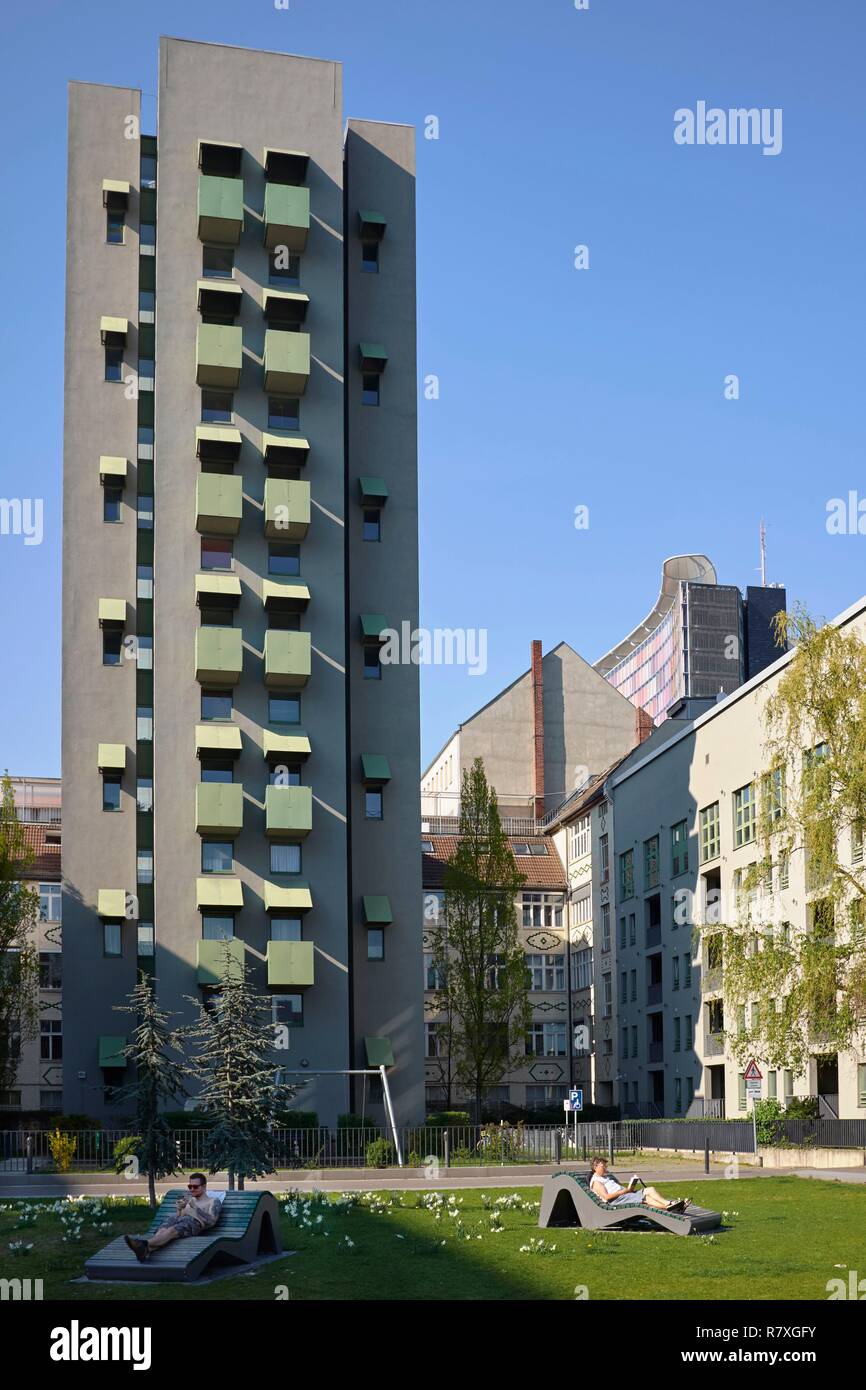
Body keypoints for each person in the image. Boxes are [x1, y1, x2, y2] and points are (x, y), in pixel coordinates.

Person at [124, 1173, 223, 1263]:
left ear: (204, 1186)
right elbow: (179, 1218)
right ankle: (146, 1250)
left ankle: (143, 1244)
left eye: (195, 1186)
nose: (192, 1189)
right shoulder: (189, 1200)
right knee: (163, 1228)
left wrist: (194, 1207)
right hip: (182, 1221)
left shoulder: (213, 1201)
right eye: (190, 1186)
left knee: (172, 1230)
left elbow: (212, 1221)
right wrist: (179, 1209)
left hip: (195, 1223)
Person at [588, 1157, 691, 1213]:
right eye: (603, 1166)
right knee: (646, 1198)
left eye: (605, 1165)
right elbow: (606, 1197)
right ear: (595, 1166)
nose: (605, 1167)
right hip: (617, 1200)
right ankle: (670, 1207)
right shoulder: (596, 1181)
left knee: (650, 1189)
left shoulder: (605, 1177)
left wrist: (630, 1187)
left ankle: (670, 1204)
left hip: (624, 1195)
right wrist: (626, 1190)